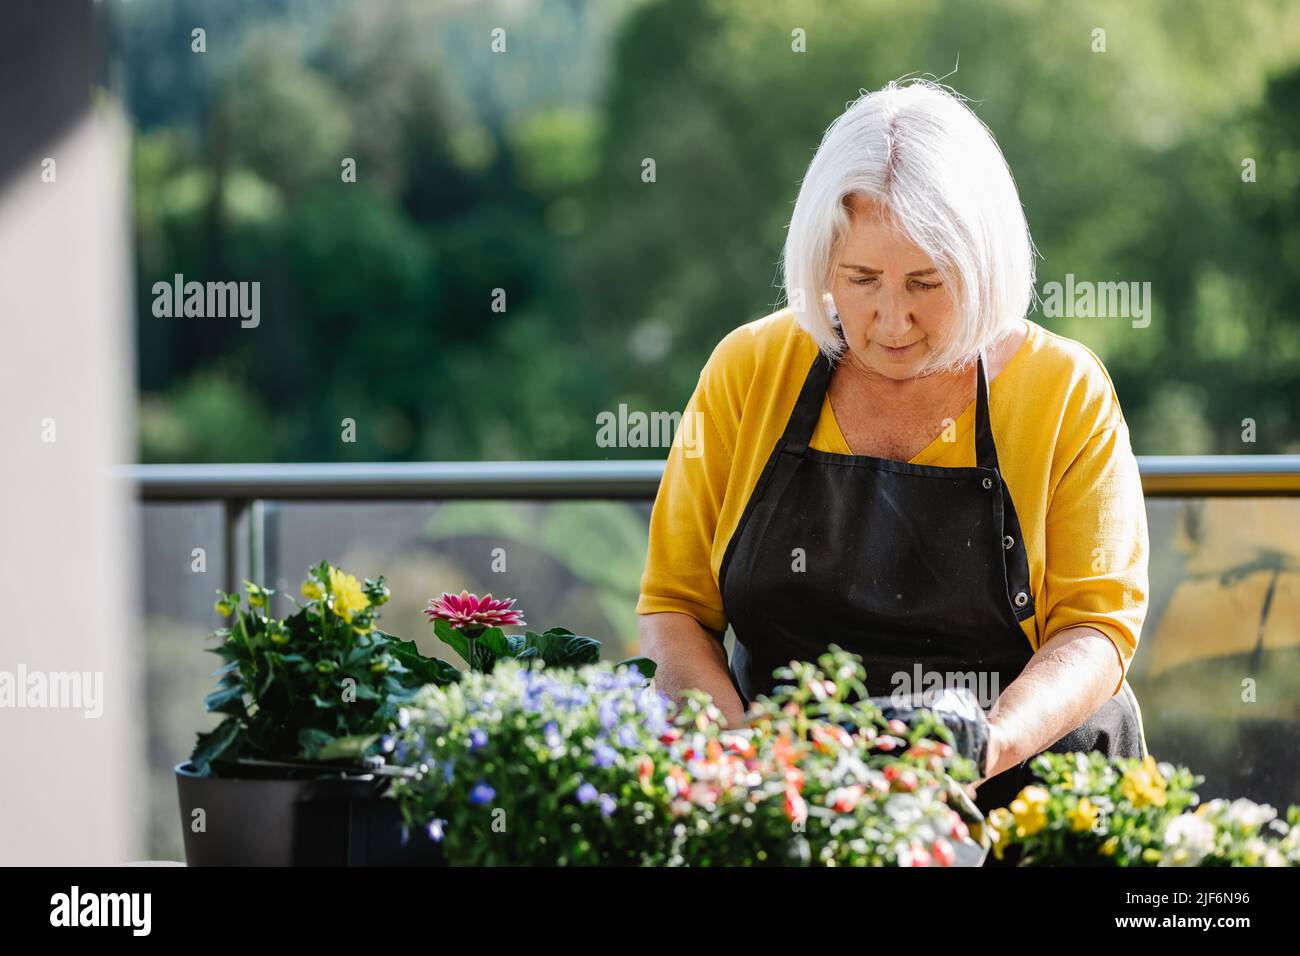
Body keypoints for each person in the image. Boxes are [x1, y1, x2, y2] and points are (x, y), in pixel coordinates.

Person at [636, 79, 1149, 821]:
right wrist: (745, 769)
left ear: (984, 266)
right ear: (821, 264)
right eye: (861, 279)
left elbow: (1095, 631)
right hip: (792, 790)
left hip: (1022, 789)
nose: (891, 317)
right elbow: (674, 609)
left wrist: (984, 748)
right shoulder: (748, 369)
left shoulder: (1064, 390)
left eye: (926, 282)